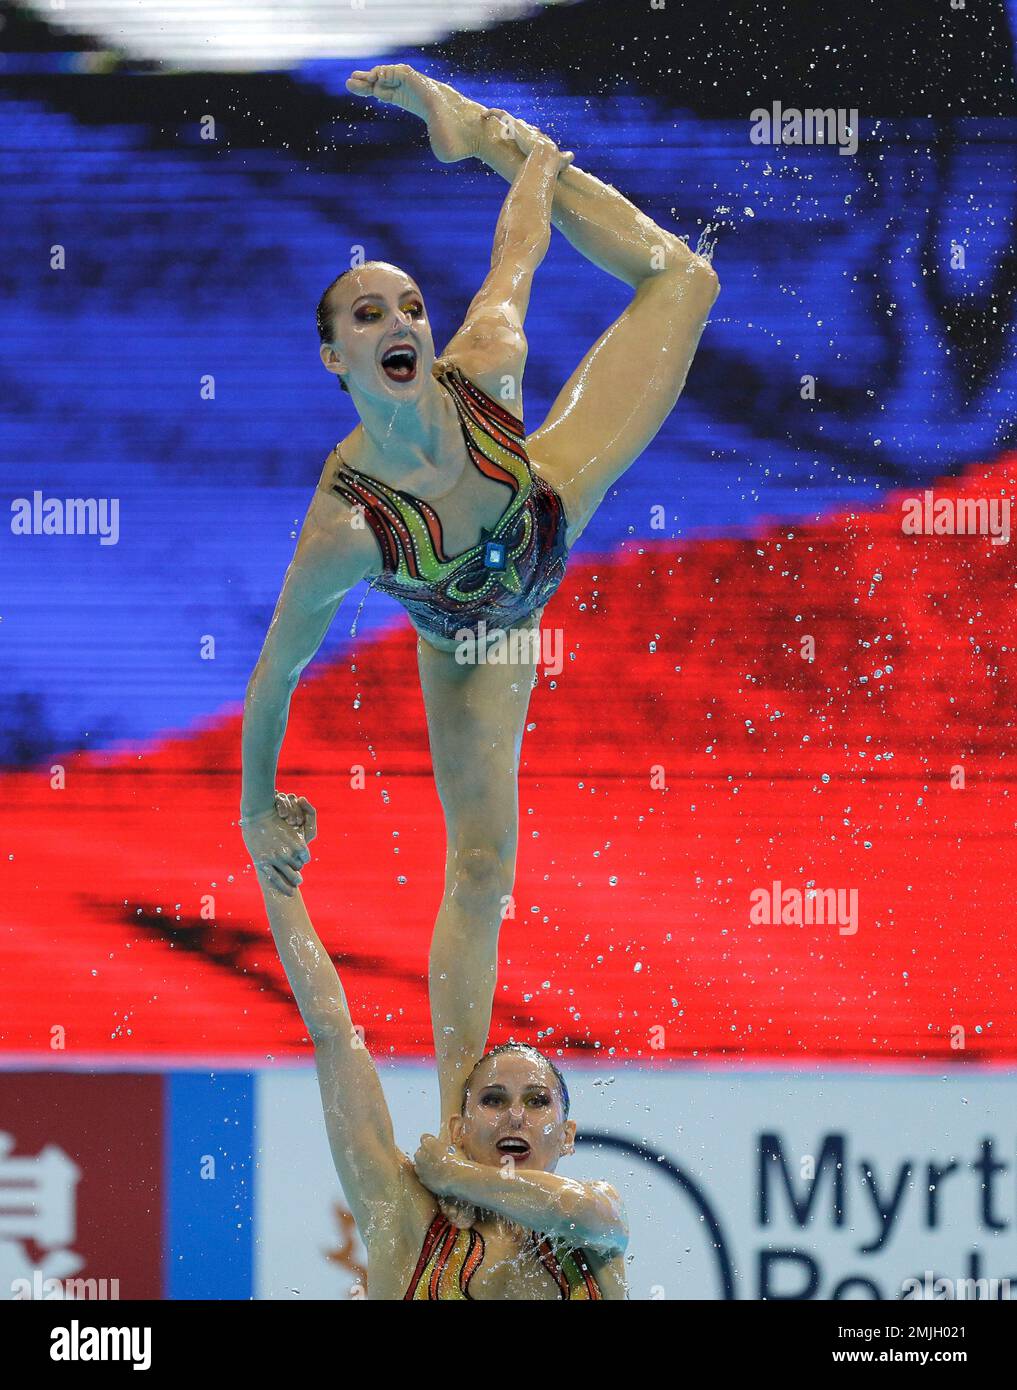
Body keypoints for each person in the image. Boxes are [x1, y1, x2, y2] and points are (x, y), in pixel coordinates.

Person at [241, 65, 719, 1124]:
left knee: (685, 280)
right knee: (484, 860)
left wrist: (519, 150)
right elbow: (277, 669)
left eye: (410, 303)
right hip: (475, 641)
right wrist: (255, 805)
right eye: (370, 313)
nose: (400, 318)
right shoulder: (347, 527)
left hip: (554, 496)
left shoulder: (488, 359)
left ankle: (473, 127)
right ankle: (466, 1123)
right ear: (335, 358)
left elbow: (520, 248)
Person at [258, 791, 628, 1300]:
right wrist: (274, 869)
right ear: (458, 1125)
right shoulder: (408, 1226)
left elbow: (577, 1211)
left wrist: (454, 1173)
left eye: (537, 1101)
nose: (515, 1116)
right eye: (493, 1100)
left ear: (567, 1136)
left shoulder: (596, 1235)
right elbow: (331, 1031)